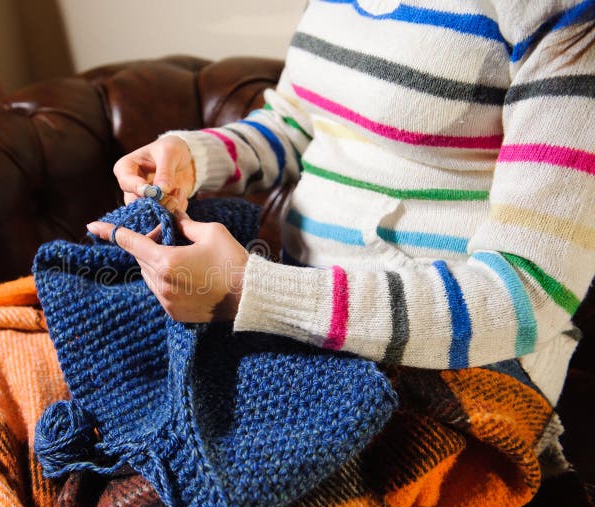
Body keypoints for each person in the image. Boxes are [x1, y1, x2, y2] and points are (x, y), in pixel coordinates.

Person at [87, 0, 595, 411]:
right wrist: (193, 158)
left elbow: (528, 292)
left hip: (461, 367)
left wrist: (255, 291)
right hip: (297, 315)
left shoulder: (563, 14)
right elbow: (296, 122)